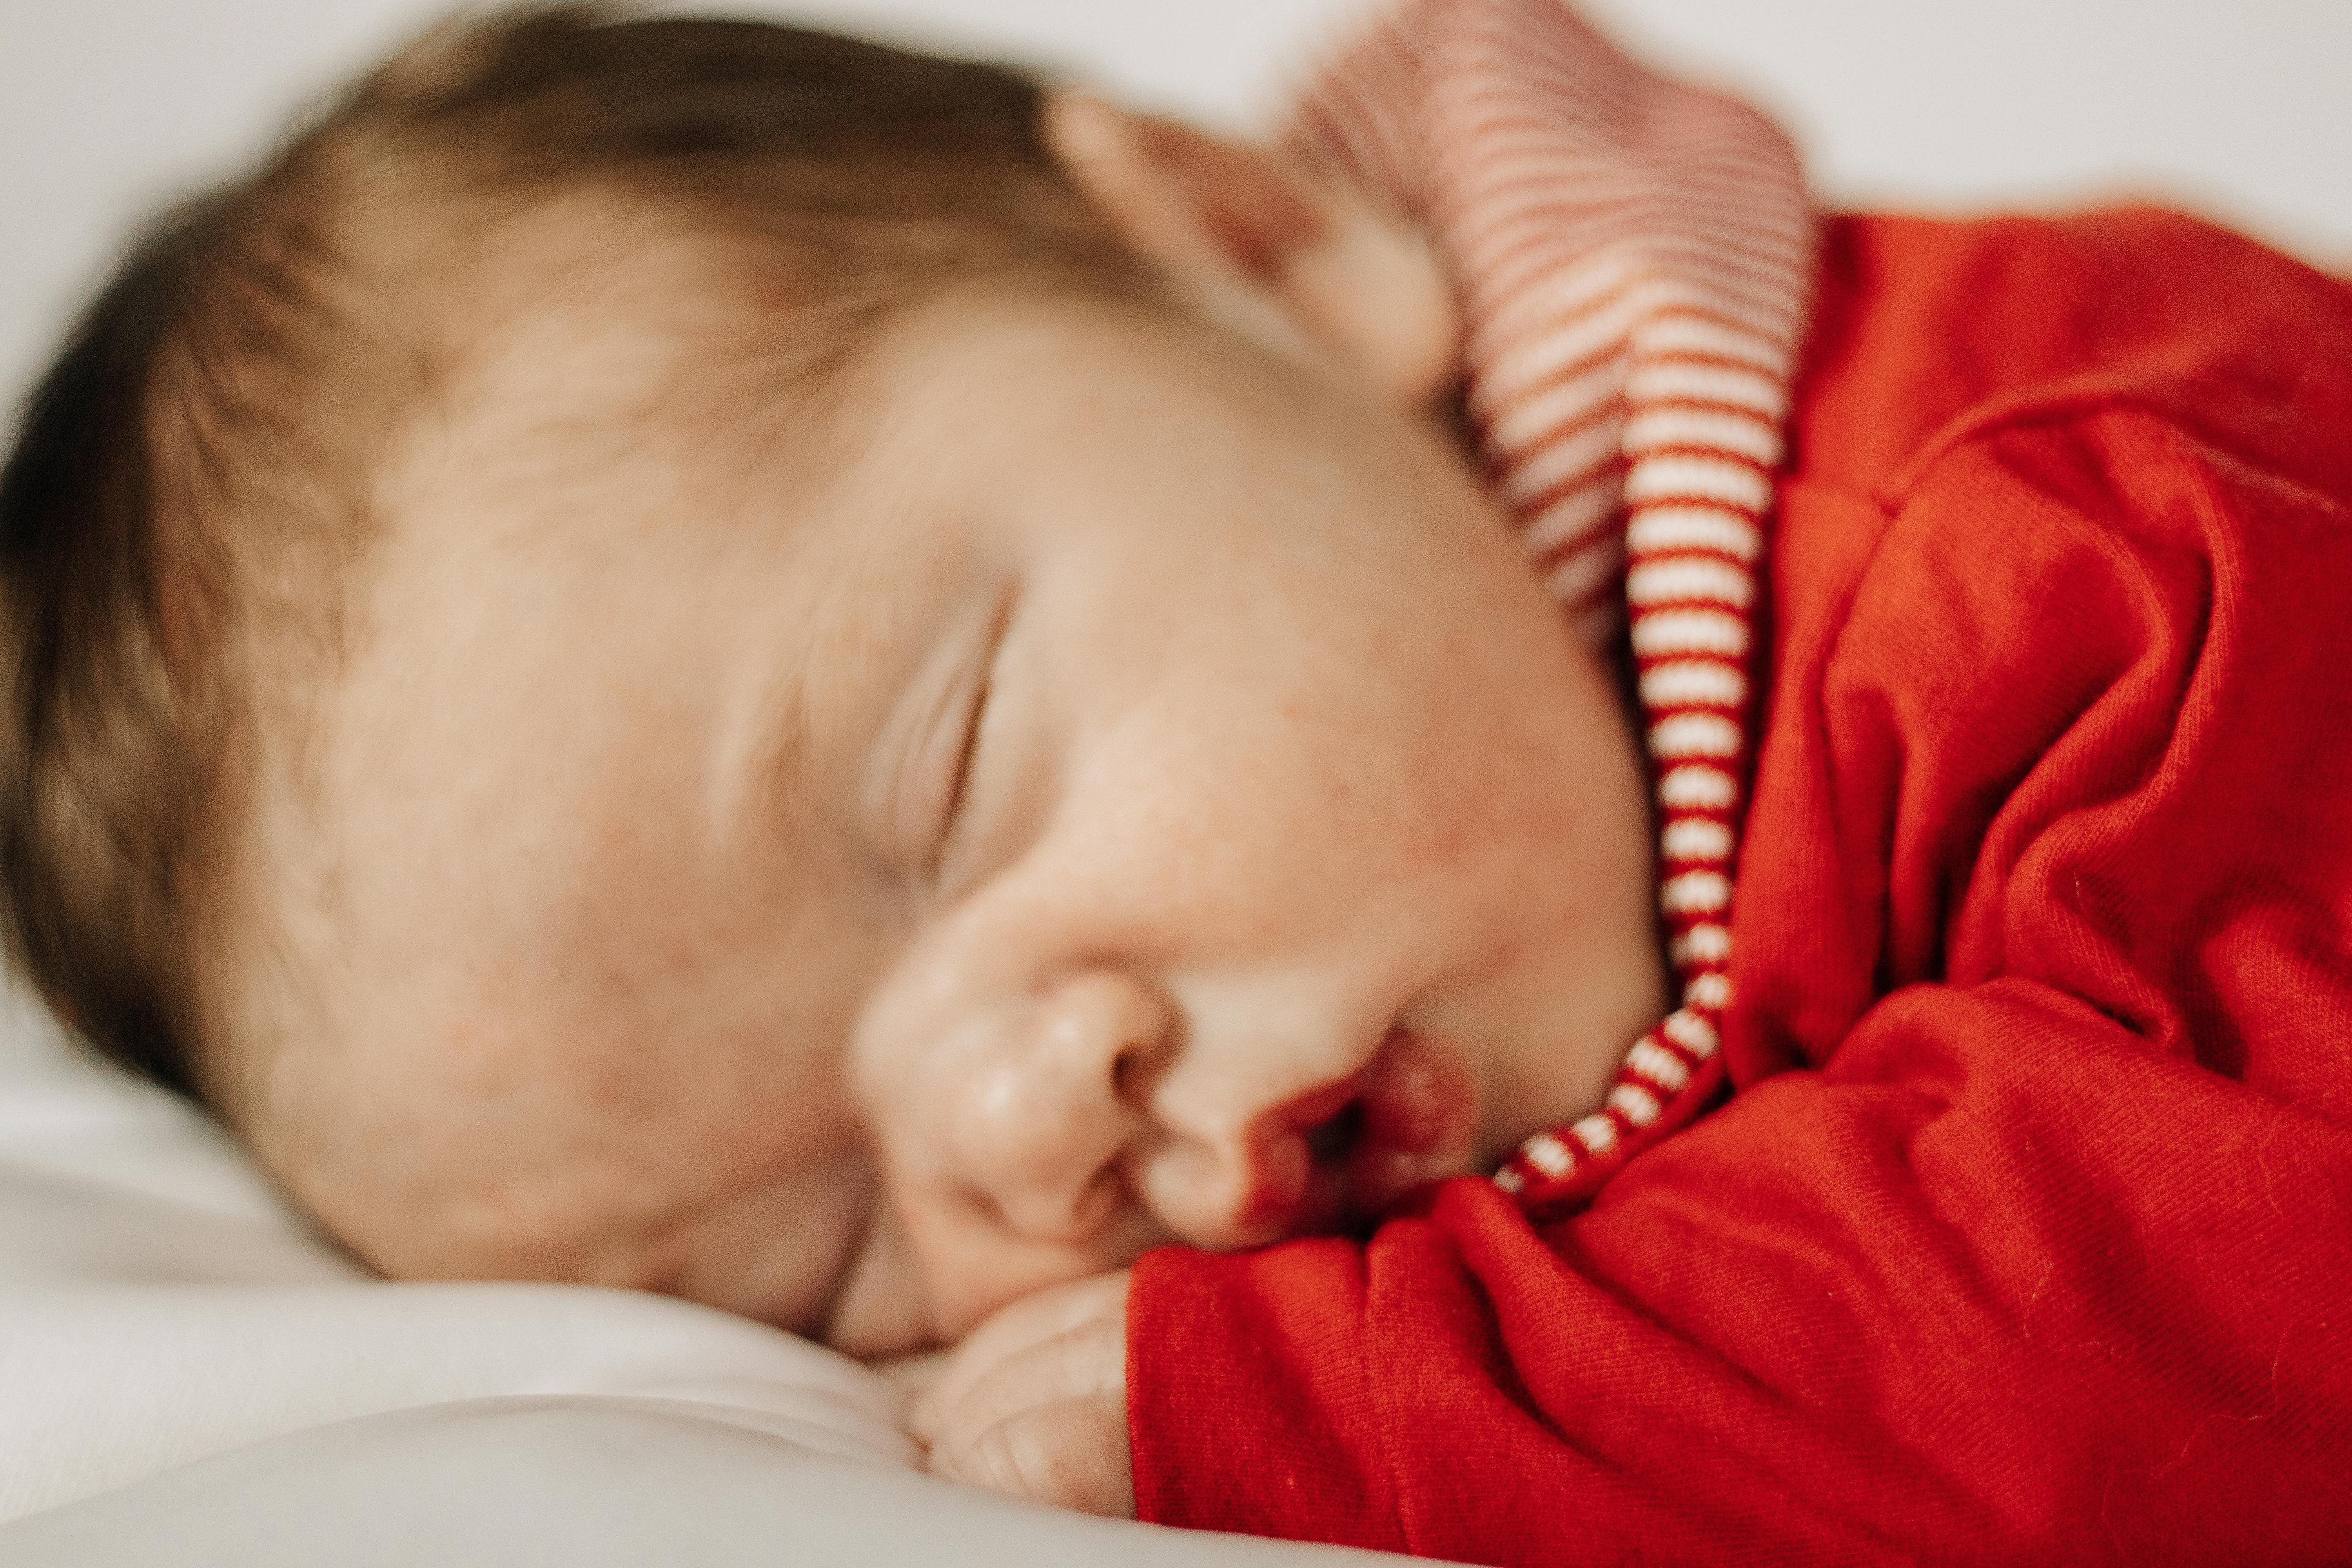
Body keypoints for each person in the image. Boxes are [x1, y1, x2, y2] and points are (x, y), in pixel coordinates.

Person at [4, 0, 2348, 1559]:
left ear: (1264, 258)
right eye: (816, 1257)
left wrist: (1363, 1401)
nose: (1024, 1131)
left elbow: (2261, 1258)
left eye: (957, 785)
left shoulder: (2065, 534)